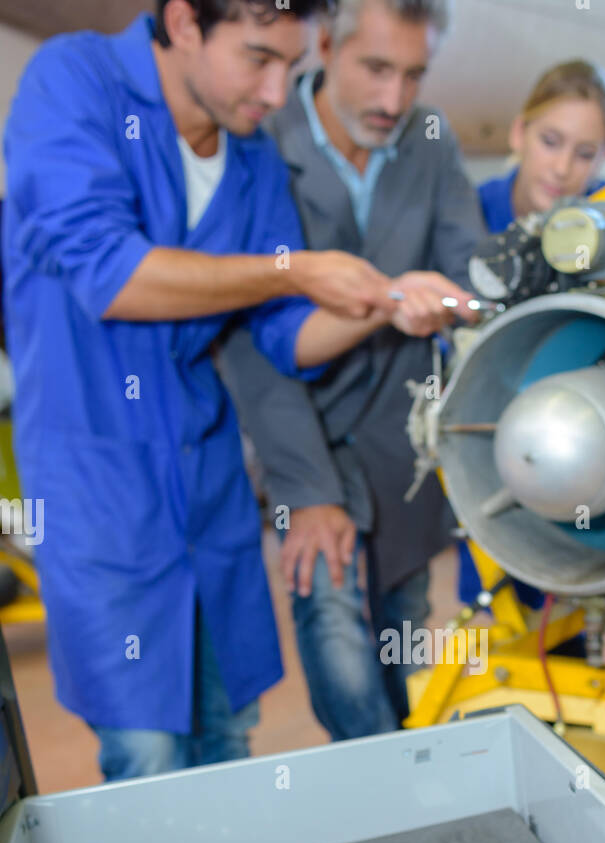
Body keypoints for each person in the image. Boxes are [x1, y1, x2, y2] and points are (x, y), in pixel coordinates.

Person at [2, 0, 471, 781]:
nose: (279, 91)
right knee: (145, 748)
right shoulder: (73, 82)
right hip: (98, 480)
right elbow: (108, 272)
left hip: (208, 476)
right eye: (258, 59)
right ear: (184, 23)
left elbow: (284, 333)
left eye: (290, 65)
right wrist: (291, 270)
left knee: (227, 739)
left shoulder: (250, 156)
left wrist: (384, 302)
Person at [220, 0, 486, 742]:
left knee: (400, 623)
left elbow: (472, 269)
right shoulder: (260, 144)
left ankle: (396, 772)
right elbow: (248, 340)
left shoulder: (430, 143)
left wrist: (459, 295)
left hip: (398, 438)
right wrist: (305, 492)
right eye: (375, 69)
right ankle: (387, 786)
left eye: (413, 74)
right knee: (333, 628)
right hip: (302, 431)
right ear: (324, 45)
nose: (394, 100)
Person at [459, 59, 605, 608]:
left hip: (587, 444)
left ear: (604, 159)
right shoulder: (469, 217)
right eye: (551, 141)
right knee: (496, 601)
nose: (563, 169)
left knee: (582, 598)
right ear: (518, 133)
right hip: (488, 443)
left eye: (584, 153)